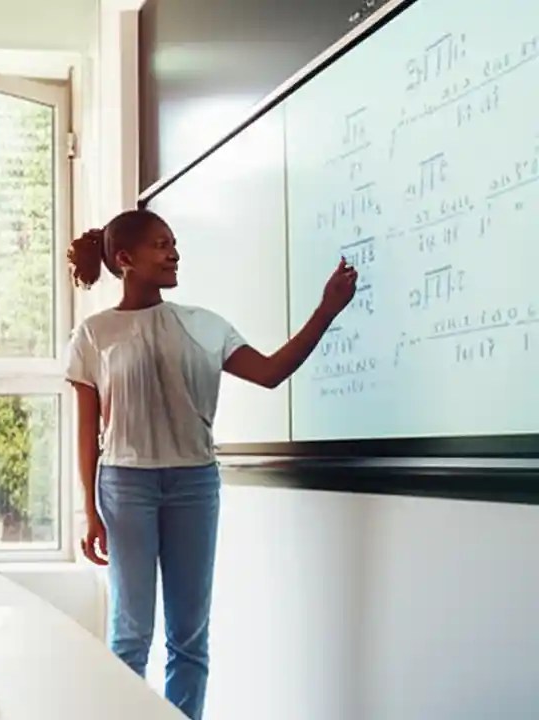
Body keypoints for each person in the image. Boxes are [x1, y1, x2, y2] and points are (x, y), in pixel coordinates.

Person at [65, 209, 356, 720]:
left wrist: (326, 310)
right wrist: (89, 510)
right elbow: (88, 433)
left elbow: (271, 372)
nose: (173, 252)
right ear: (124, 259)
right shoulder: (94, 334)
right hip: (126, 484)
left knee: (189, 636)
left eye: (173, 243)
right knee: (131, 633)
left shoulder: (204, 324)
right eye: (160, 244)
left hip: (194, 484)